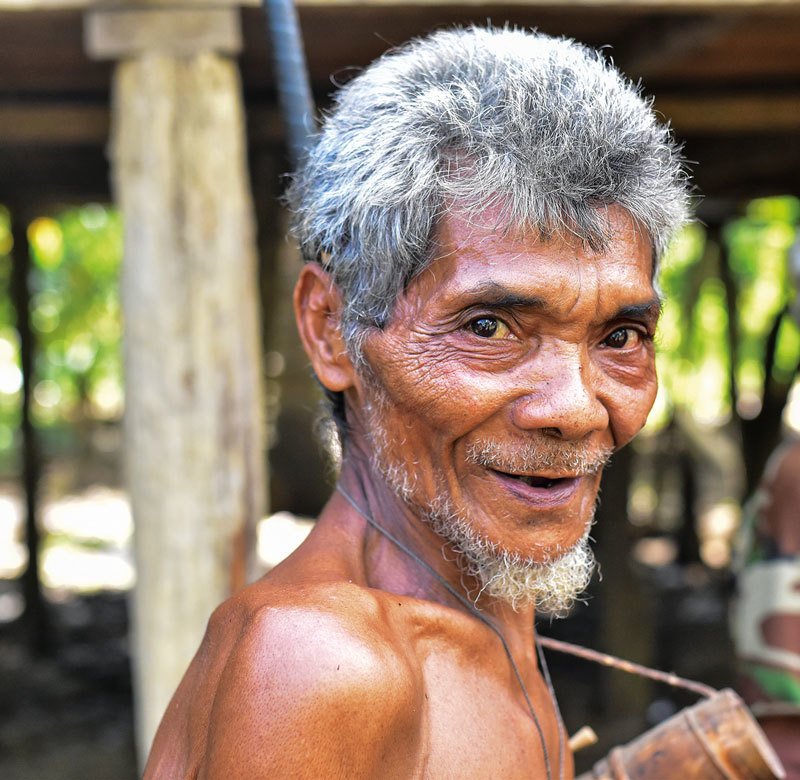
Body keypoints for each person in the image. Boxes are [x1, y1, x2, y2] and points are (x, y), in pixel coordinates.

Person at [145, 26, 689, 778]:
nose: (576, 408)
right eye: (490, 326)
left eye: (621, 336)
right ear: (331, 330)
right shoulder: (320, 665)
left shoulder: (491, 599)